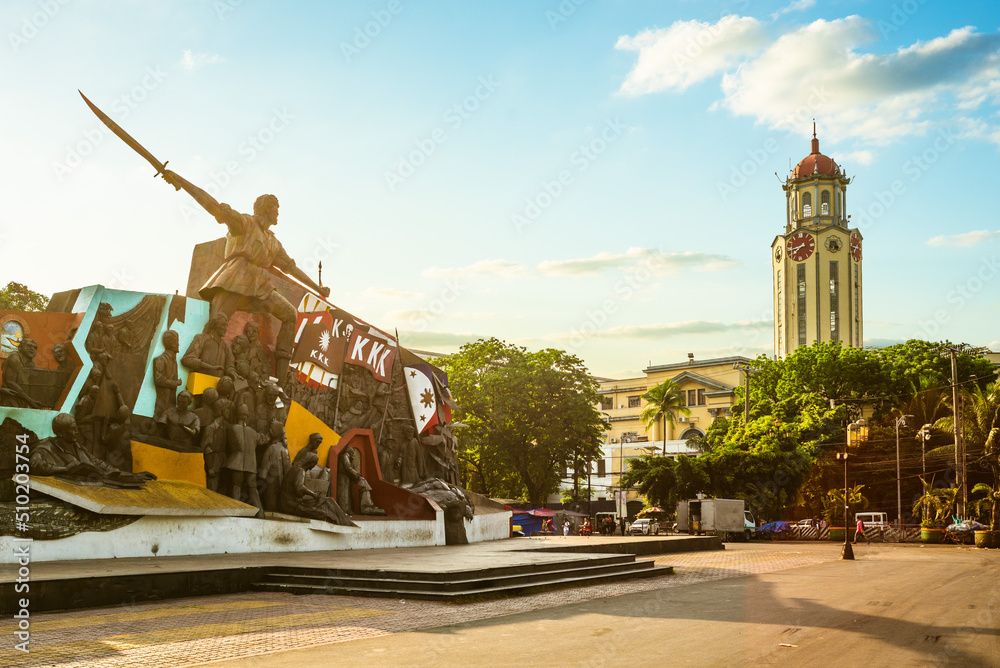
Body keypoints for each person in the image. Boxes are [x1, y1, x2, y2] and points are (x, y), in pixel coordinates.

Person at [160, 168, 330, 384]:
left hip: (259, 285)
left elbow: (291, 268)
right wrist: (179, 180)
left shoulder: (273, 242)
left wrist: (318, 288)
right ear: (267, 209)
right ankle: (199, 373)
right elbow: (214, 206)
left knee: (289, 314)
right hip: (234, 279)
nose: (278, 213)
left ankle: (280, 381)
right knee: (215, 324)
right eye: (276, 209)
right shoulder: (245, 223)